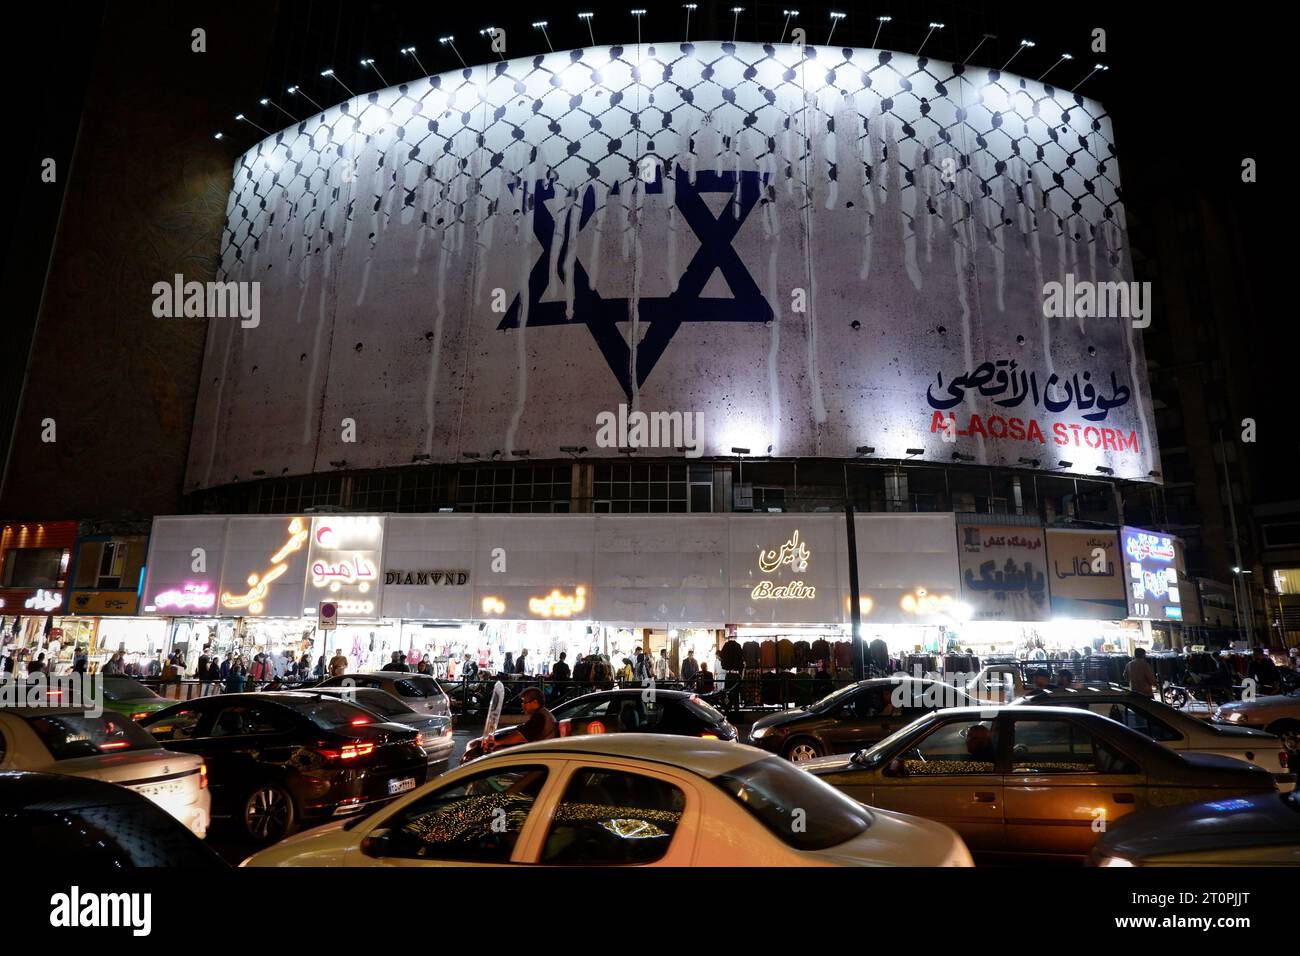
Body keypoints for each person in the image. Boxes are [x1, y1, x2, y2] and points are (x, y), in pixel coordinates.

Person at [482, 687, 557, 752]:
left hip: (540, 754)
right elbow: (523, 729)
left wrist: (497, 742)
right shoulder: (542, 713)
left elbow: (521, 736)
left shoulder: (539, 716)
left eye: (524, 702)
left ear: (535, 702)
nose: (522, 705)